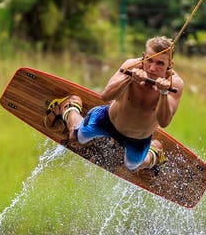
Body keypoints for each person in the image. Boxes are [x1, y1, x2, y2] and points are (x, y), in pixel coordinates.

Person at [45, 36, 184, 171]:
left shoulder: (175, 83)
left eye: (160, 63)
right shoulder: (132, 65)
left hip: (139, 137)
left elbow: (164, 122)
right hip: (108, 121)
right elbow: (106, 96)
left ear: (170, 65)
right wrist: (130, 79)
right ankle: (70, 106)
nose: (152, 68)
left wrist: (163, 93)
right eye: (149, 60)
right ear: (143, 56)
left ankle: (155, 151)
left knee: (132, 166)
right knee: (75, 137)